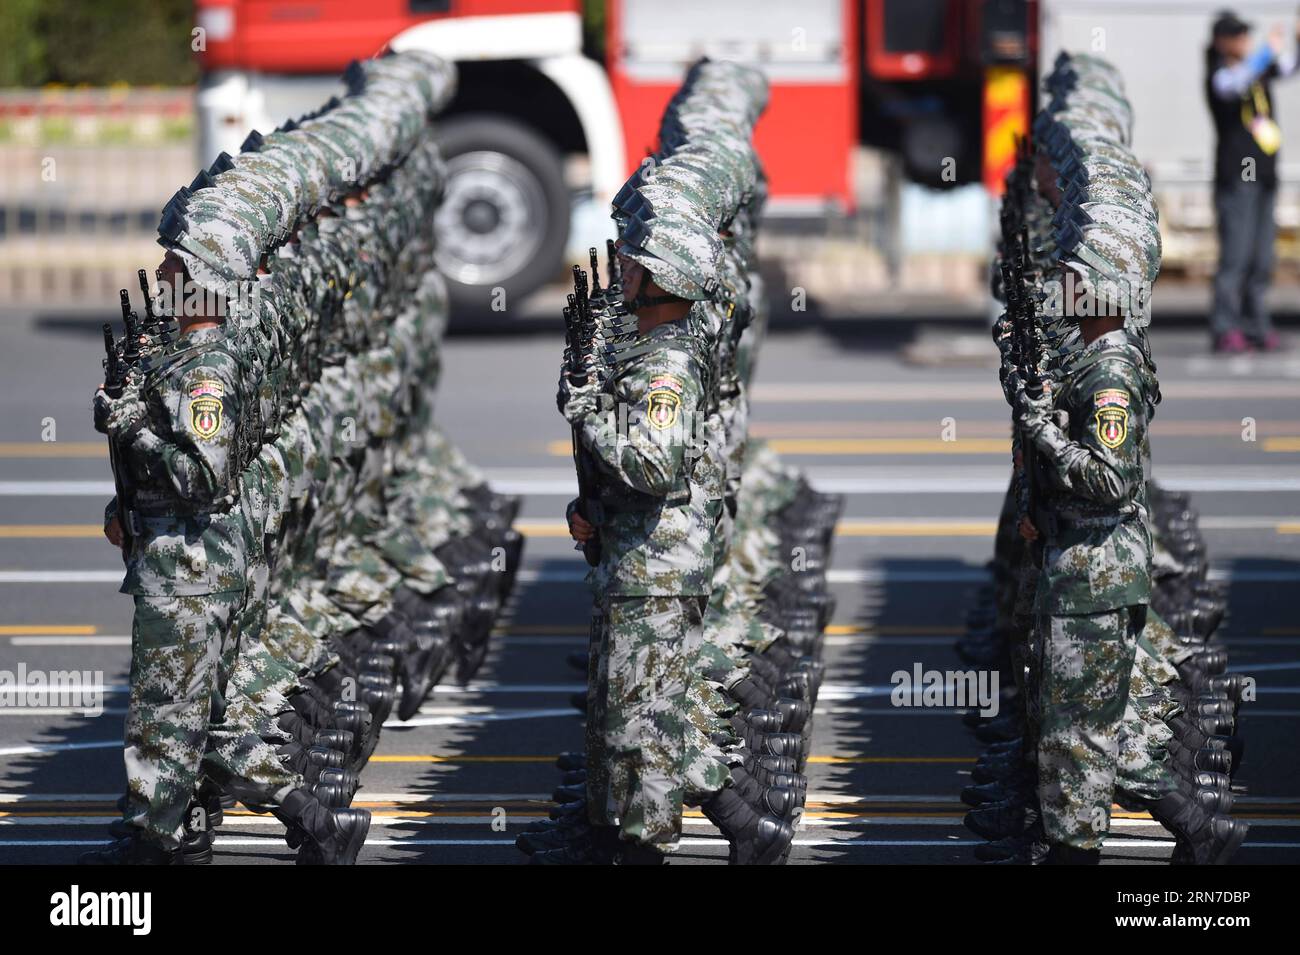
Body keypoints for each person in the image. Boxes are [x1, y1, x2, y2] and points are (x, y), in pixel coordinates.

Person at [1204, 9, 1298, 352]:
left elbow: (1287, 67)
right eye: (1239, 36)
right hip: (1239, 175)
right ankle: (1226, 326)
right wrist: (1265, 52)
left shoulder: (1257, 70)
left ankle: (1258, 325)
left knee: (1262, 258)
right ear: (1222, 42)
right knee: (1236, 258)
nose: (1245, 42)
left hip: (1264, 176)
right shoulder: (1220, 74)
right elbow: (1237, 82)